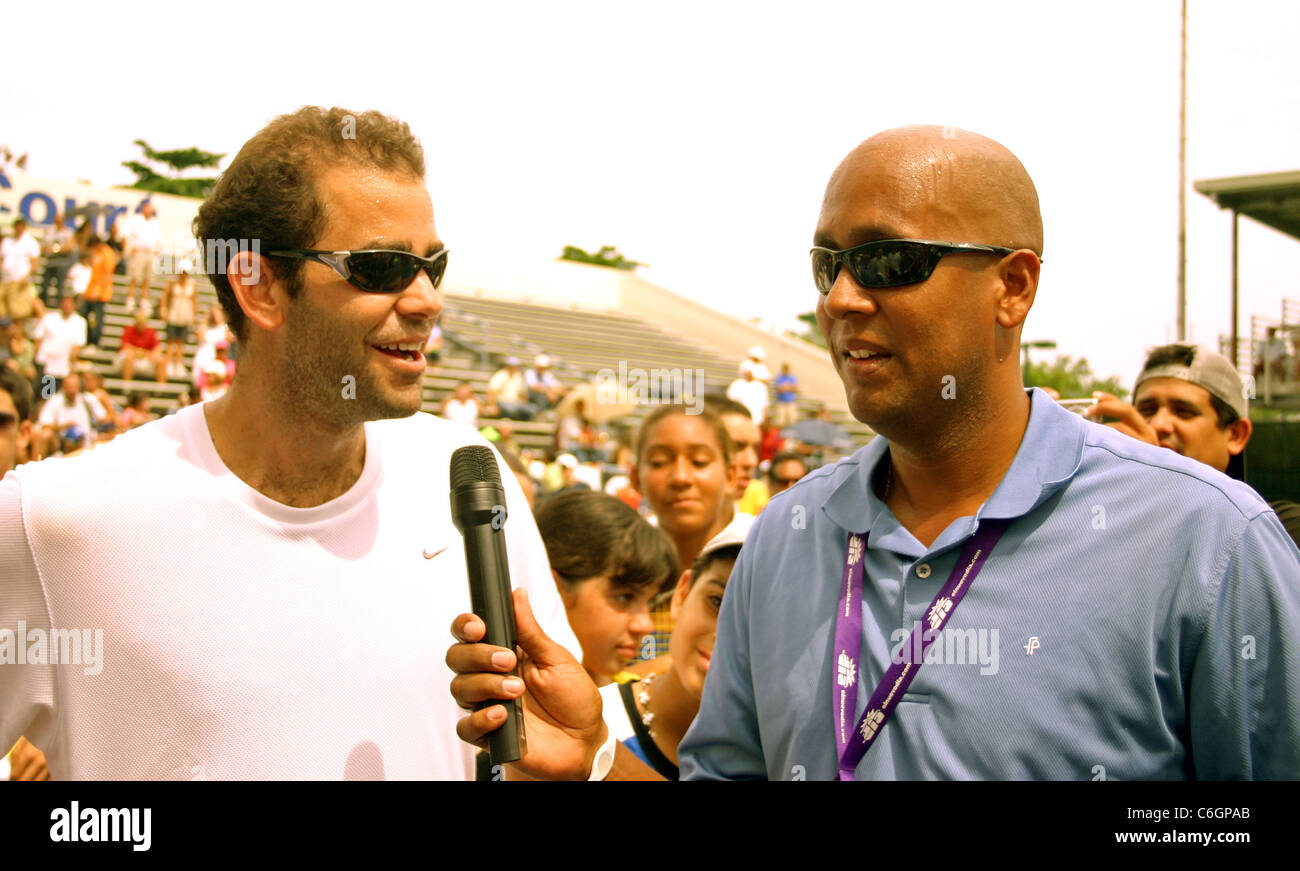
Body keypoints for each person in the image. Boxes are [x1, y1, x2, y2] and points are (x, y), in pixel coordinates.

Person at [446, 125, 1300, 781]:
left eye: (889, 260)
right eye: (829, 264)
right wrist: (595, 758)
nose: (844, 298)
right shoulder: (785, 538)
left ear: (1013, 286)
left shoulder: (1207, 544)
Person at [0, 105, 580, 780]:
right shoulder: (56, 523)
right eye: (383, 266)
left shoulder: (467, 480)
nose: (427, 300)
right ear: (259, 287)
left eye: (433, 265)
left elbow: (552, 746)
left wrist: (589, 761)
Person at [1088, 342, 1300, 547]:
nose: (1159, 423)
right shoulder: (1105, 517)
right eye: (1147, 410)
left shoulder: (1282, 529)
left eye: (1184, 411)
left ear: (1236, 435)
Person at [598, 516, 752, 779]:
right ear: (681, 595)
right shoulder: (592, 723)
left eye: (759, 624)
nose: (726, 635)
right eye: (716, 601)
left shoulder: (783, 761)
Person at [535, 490, 678, 685]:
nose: (645, 626)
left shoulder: (640, 698)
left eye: (650, 602)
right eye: (624, 597)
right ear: (553, 590)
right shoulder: (495, 703)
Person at [629, 404, 736, 663]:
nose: (680, 477)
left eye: (699, 461)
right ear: (635, 479)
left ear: (731, 476)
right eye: (659, 462)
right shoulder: (617, 580)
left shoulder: (758, 570)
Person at [704, 394, 765, 516]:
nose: (751, 461)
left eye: (755, 448)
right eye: (736, 446)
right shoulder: (657, 531)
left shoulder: (756, 533)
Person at [35, 371, 105, 456]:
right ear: (63, 387)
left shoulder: (88, 400)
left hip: (86, 440)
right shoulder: (55, 401)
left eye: (74, 385)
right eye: (69, 385)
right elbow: (44, 423)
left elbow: (104, 417)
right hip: (61, 442)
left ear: (79, 387)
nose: (71, 388)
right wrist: (63, 426)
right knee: (45, 434)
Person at [33, 294, 87, 393]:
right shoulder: (49, 318)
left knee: (58, 396)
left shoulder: (80, 322)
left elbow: (77, 346)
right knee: (46, 395)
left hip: (62, 367)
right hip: (45, 365)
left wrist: (72, 365)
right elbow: (38, 338)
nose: (67, 306)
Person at [0, 218, 43, 329]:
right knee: (3, 312)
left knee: (18, 313)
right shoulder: (7, 242)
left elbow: (35, 262)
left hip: (19, 281)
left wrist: (27, 276)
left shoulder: (30, 242)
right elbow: (2, 259)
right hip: (5, 280)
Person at [160, 261, 199, 379]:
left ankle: (178, 364)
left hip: (185, 315)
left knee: (181, 342)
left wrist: (194, 314)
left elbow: (194, 300)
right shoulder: (172, 282)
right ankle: (168, 364)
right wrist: (163, 309)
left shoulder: (192, 284)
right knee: (171, 341)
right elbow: (165, 297)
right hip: (173, 314)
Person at [120, 201, 161, 312]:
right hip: (138, 252)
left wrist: (156, 251)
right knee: (134, 277)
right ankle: (130, 299)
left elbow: (158, 239)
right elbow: (125, 235)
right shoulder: (135, 220)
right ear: (143, 208)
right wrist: (127, 250)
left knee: (147, 279)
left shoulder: (155, 222)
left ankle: (143, 300)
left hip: (150, 253)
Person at [81, 236, 119, 348]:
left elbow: (107, 273)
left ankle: (95, 341)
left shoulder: (107, 253)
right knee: (84, 315)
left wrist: (98, 289)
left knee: (97, 317)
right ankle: (87, 339)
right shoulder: (95, 253)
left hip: (101, 292)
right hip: (90, 289)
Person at [38, 212, 76, 306]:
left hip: (62, 264)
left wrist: (54, 249)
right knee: (45, 285)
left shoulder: (68, 232)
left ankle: (59, 305)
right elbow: (44, 247)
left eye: (60, 221)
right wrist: (57, 249)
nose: (58, 223)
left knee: (60, 286)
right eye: (56, 221)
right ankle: (43, 304)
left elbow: (68, 247)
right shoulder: (49, 232)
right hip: (50, 263)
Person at [118, 306, 162, 382]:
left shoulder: (151, 332)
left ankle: (161, 389)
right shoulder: (128, 329)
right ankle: (126, 386)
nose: (141, 324)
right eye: (139, 321)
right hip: (131, 358)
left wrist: (145, 354)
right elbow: (125, 346)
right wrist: (141, 352)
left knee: (161, 360)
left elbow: (157, 348)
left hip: (146, 358)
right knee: (129, 357)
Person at [772, 362, 799, 427]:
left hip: (790, 402)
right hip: (781, 402)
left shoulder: (792, 378)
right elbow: (780, 388)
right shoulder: (779, 377)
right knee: (779, 421)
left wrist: (786, 387)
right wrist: (789, 387)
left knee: (791, 420)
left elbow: (795, 388)